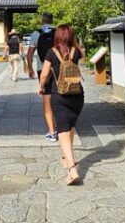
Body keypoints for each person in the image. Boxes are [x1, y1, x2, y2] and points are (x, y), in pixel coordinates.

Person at [38, 24, 84, 185]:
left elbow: (44, 74)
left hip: (60, 95)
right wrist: (74, 42)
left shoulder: (52, 52)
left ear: (57, 36)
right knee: (70, 126)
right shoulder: (76, 51)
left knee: (62, 130)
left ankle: (72, 169)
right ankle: (66, 156)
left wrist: (41, 86)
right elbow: (81, 56)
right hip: (77, 96)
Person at [27, 13, 57, 141]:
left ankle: (51, 131)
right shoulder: (58, 32)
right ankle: (59, 127)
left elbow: (29, 54)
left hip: (42, 69)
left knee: (47, 100)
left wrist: (30, 68)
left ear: (42, 20)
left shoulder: (36, 33)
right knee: (59, 97)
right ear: (52, 20)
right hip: (58, 69)